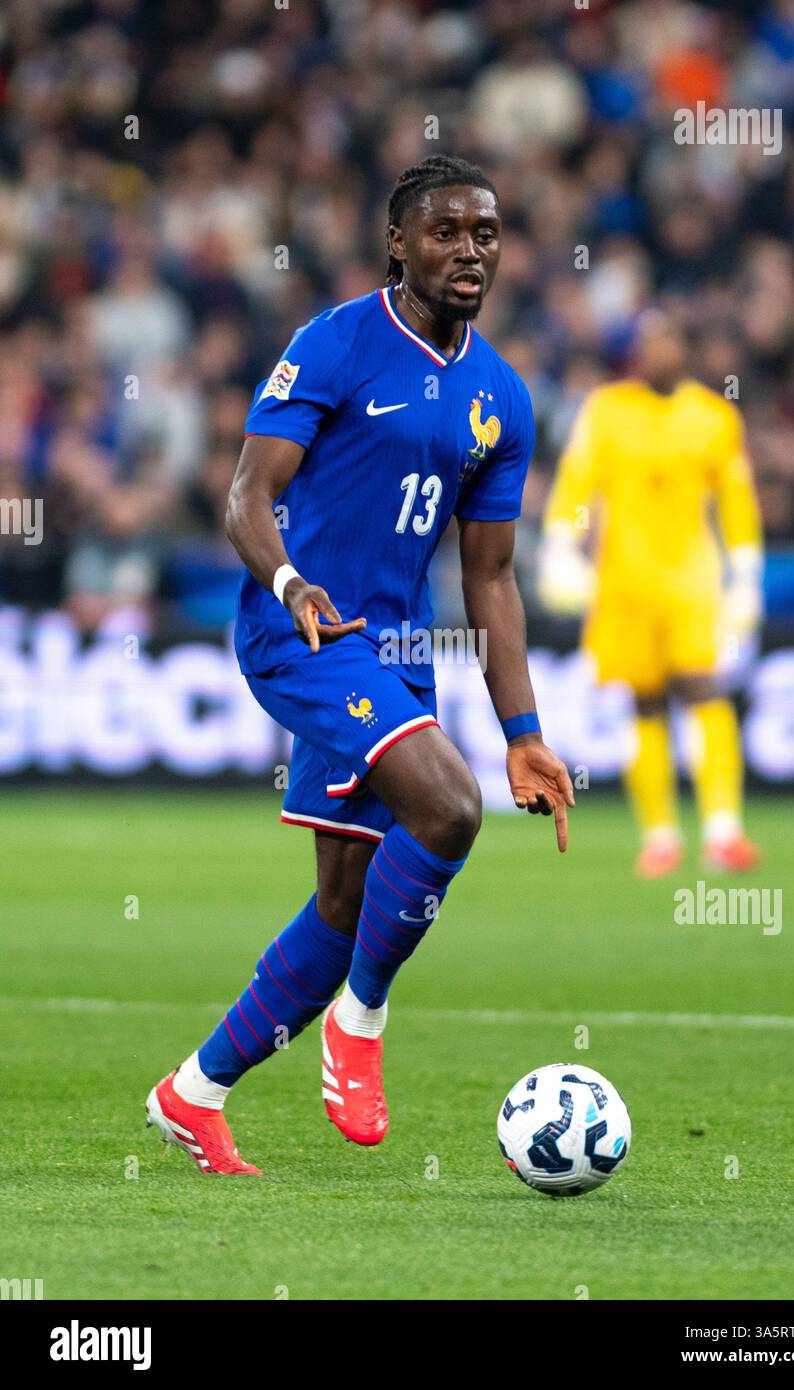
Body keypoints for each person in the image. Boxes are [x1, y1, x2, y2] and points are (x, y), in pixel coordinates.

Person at [145, 155, 574, 1175]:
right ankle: (362, 1023)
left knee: (343, 902)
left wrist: (523, 734)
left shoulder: (500, 397)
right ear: (398, 241)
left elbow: (494, 578)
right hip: (299, 635)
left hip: (398, 653)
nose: (468, 250)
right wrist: (291, 588)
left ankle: (191, 1092)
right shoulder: (332, 343)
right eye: (445, 231)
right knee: (449, 807)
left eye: (484, 233)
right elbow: (245, 495)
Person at [539, 310, 762, 878]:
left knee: (703, 689)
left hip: (691, 585)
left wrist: (747, 576)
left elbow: (736, 502)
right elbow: (576, 482)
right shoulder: (609, 410)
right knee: (645, 702)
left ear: (684, 350)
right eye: (646, 342)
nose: (653, 351)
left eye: (664, 341)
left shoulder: (713, 417)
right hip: (624, 585)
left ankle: (723, 830)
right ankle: (660, 834)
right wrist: (561, 548)